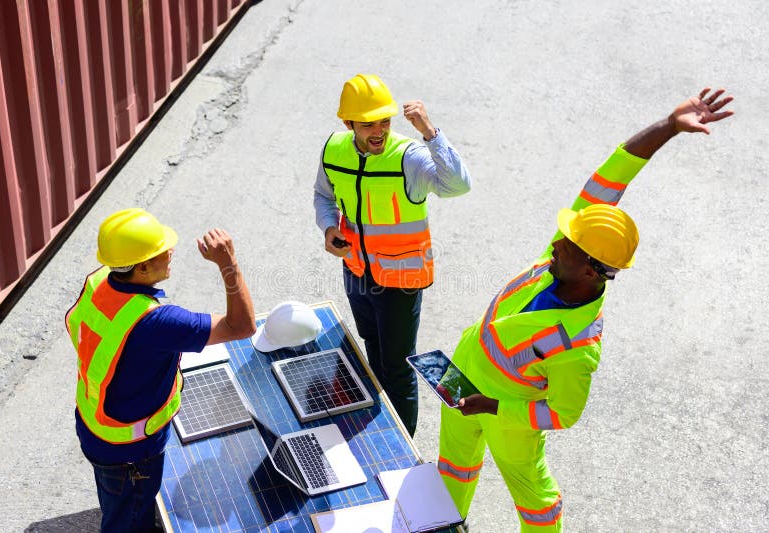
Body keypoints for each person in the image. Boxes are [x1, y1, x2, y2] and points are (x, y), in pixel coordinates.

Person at [437, 88, 734, 531]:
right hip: (460, 372)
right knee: (452, 469)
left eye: (568, 244)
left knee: (536, 503)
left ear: (593, 271)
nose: (555, 243)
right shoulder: (562, 262)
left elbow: (563, 413)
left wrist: (495, 407)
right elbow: (609, 180)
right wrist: (668, 126)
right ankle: (443, 522)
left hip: (506, 411)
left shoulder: (578, 346)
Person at [65, 208, 256, 532]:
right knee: (129, 519)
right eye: (160, 251)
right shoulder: (157, 322)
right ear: (141, 267)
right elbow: (242, 326)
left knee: (118, 501)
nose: (170, 251)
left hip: (94, 424)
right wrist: (229, 263)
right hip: (131, 452)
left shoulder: (100, 281)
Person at [313, 73, 472, 436]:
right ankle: (380, 423)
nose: (379, 131)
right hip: (355, 272)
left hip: (400, 282)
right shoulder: (334, 150)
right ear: (348, 123)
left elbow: (458, 185)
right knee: (372, 349)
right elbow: (323, 195)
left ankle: (402, 445)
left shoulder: (408, 158)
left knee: (397, 367)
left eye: (384, 121)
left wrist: (430, 133)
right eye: (369, 124)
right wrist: (328, 227)